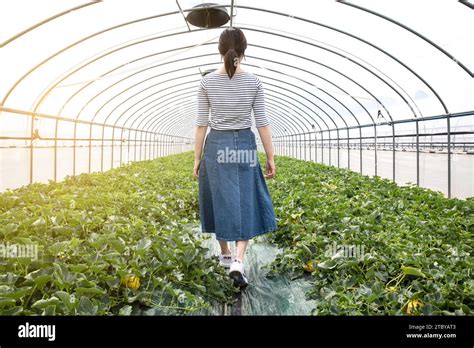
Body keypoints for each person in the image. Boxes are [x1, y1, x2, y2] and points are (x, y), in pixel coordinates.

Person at [193, 27, 278, 288]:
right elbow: (262, 123)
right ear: (244, 51)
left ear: (221, 51)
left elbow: (200, 124)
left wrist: (197, 158)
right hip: (243, 143)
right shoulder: (254, 82)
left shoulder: (207, 82)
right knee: (246, 201)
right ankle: (239, 261)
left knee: (219, 199)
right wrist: (271, 157)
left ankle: (226, 254)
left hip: (216, 144)